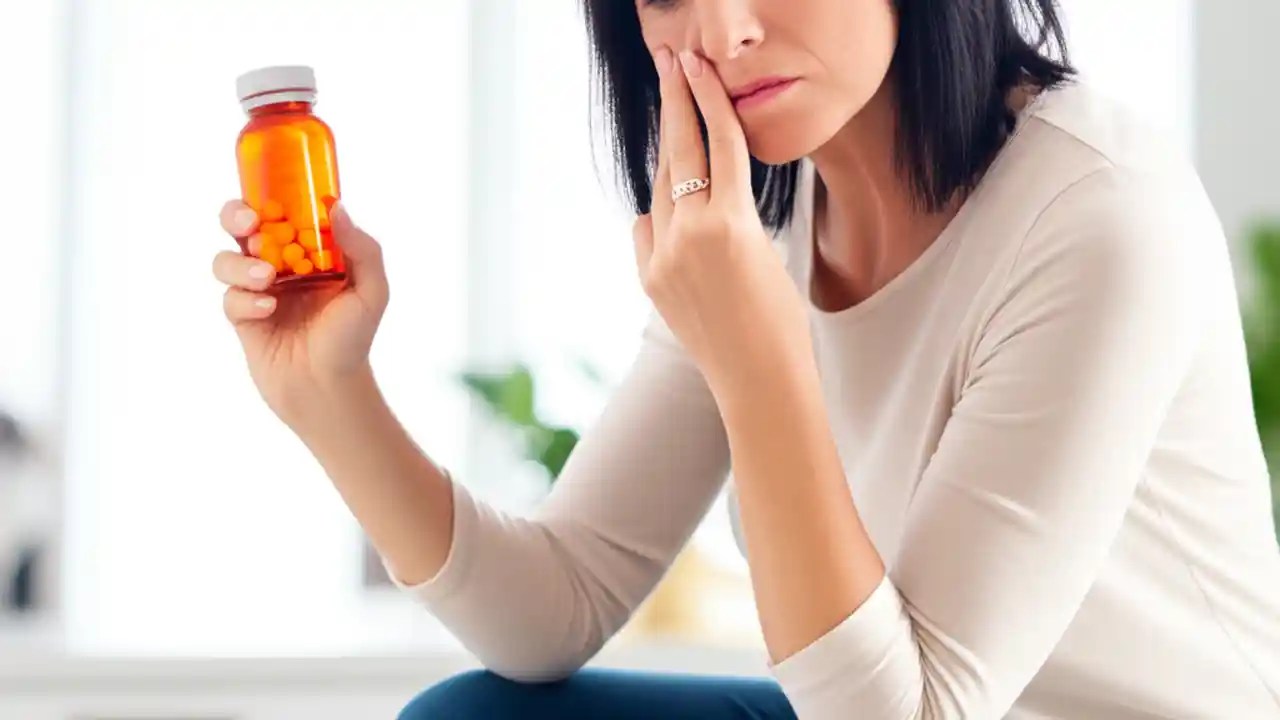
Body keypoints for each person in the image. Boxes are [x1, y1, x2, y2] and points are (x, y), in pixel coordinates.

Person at [212, 0, 1280, 717]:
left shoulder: (1096, 210)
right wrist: (329, 394)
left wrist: (760, 354)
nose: (724, 30)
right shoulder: (759, 226)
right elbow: (553, 606)